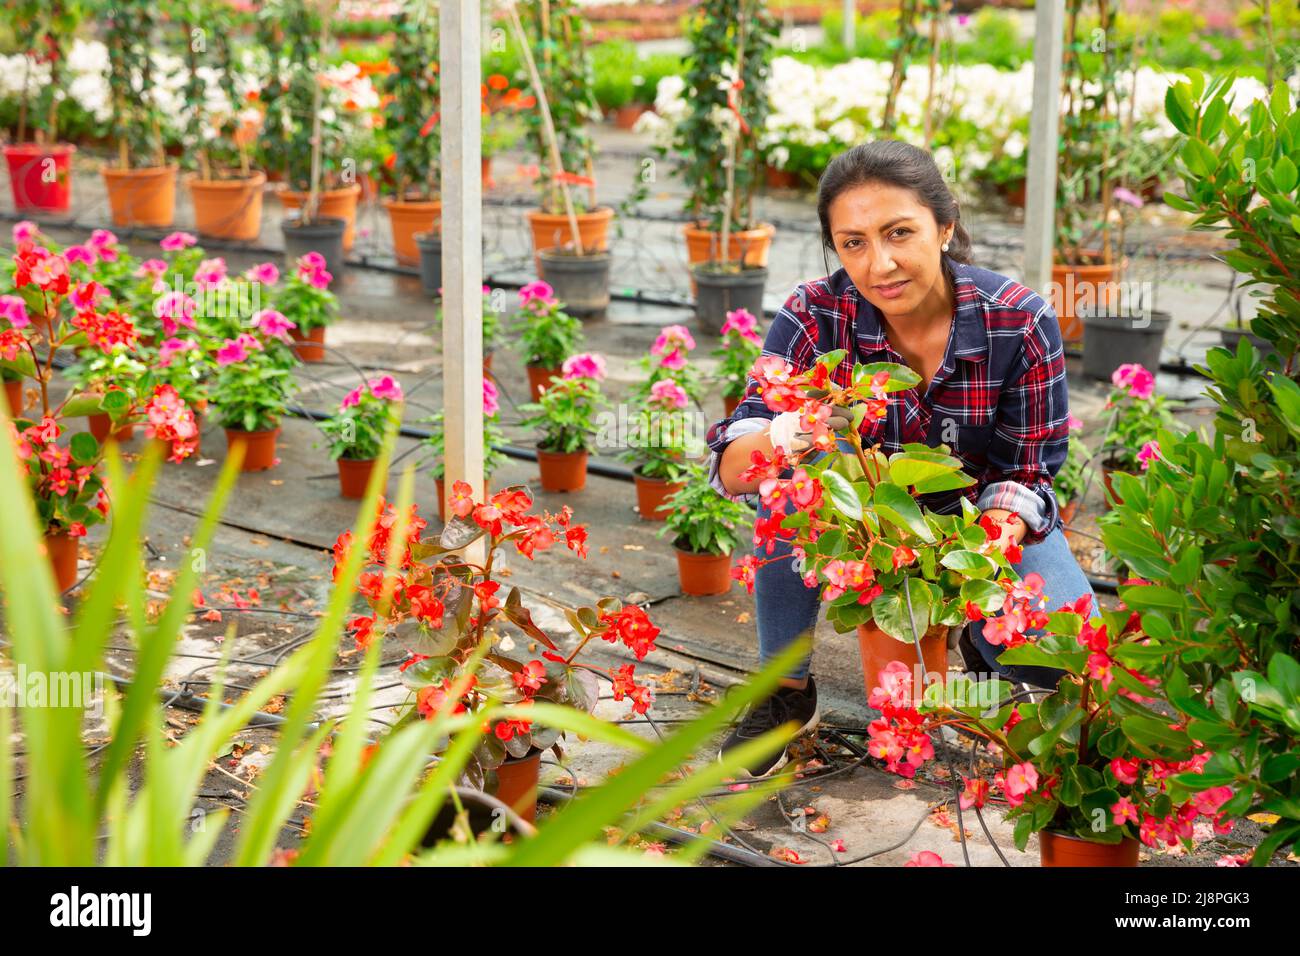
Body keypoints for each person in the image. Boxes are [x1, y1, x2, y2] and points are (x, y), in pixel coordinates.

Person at [706, 140, 1095, 778]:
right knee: (784, 499)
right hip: (862, 525)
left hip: (978, 522)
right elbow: (732, 463)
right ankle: (786, 689)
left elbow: (1028, 472)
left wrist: (972, 577)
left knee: (1065, 662)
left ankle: (980, 648)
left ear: (945, 227)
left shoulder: (1017, 320)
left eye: (899, 233)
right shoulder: (815, 315)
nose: (879, 263)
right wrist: (791, 433)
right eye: (853, 242)